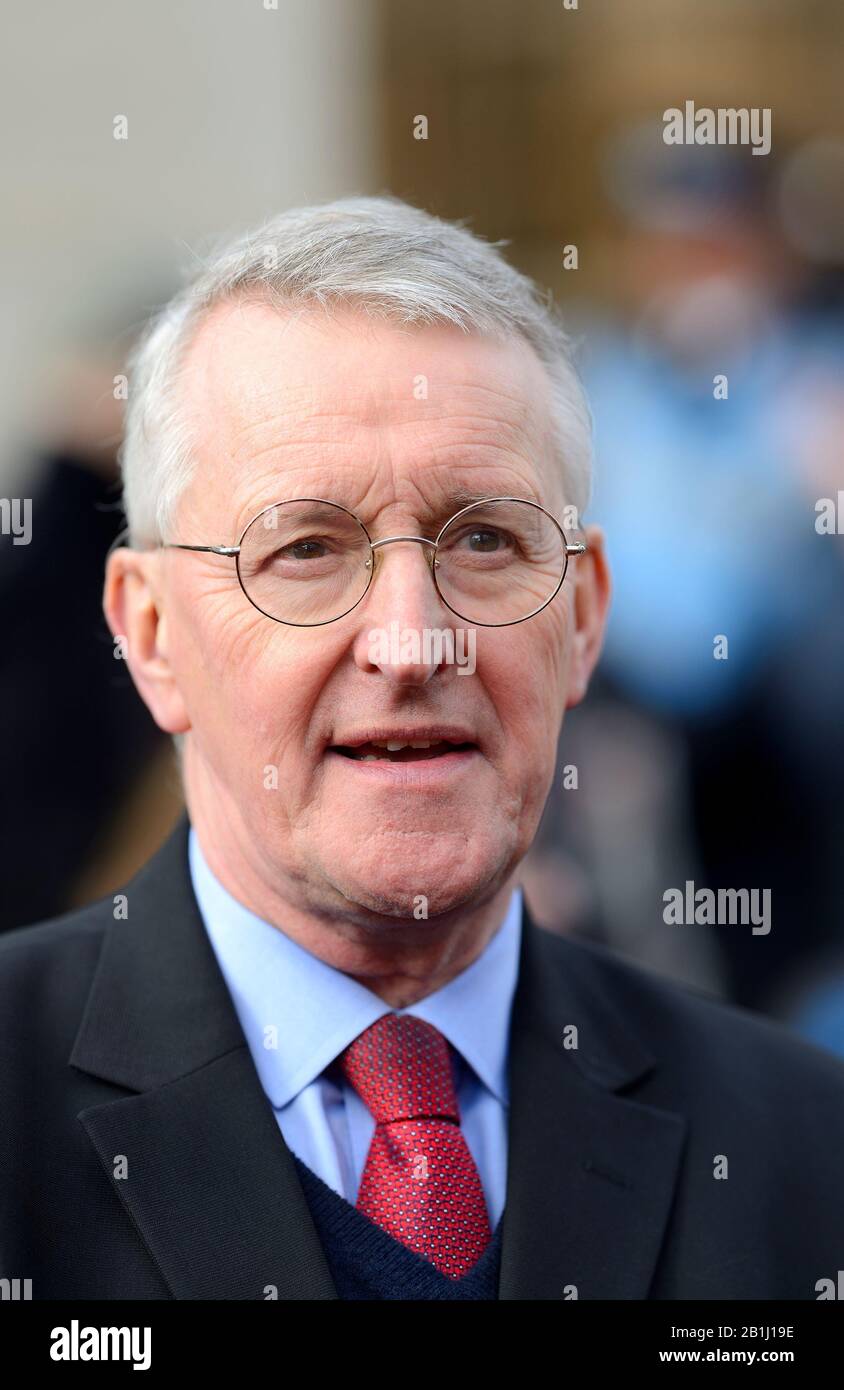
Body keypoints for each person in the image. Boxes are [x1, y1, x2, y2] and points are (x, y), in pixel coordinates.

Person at [1, 196, 842, 1301]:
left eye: (485, 539)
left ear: (583, 617)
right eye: (305, 548)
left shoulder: (801, 1148)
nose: (411, 640)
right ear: (151, 633)